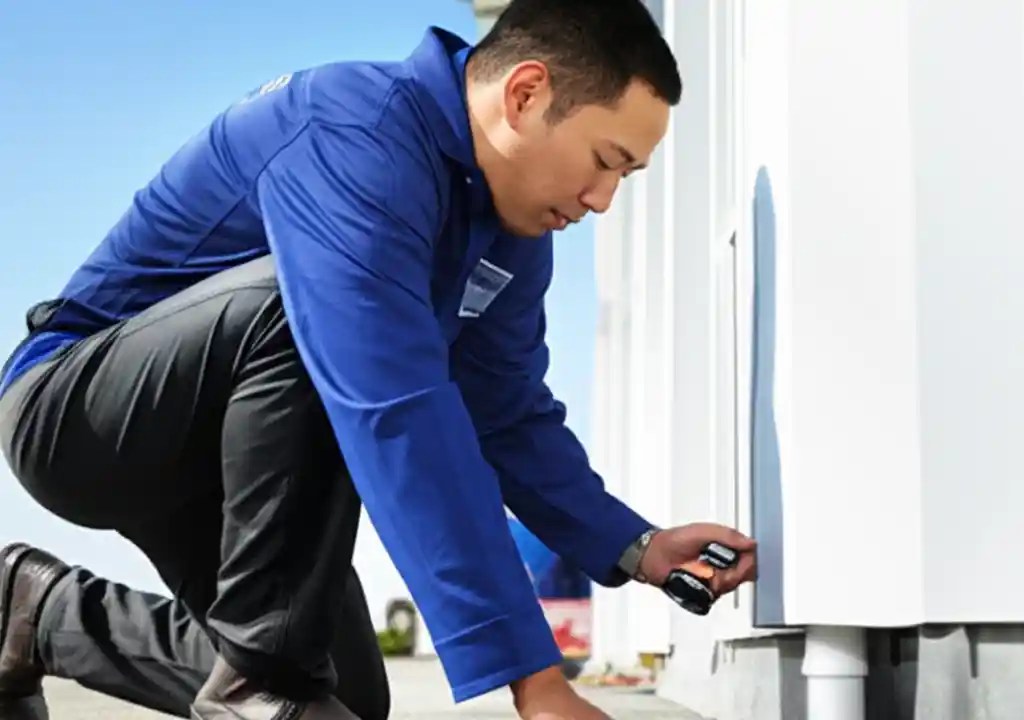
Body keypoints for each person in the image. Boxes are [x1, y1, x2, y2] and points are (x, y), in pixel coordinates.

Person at [0, 1, 758, 719]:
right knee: (307, 315)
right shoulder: (355, 132)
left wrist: (636, 545)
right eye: (605, 160)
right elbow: (394, 404)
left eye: (626, 178)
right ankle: (259, 681)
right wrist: (536, 683)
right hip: (78, 414)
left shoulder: (510, 231)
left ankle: (32, 614)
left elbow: (508, 414)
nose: (602, 200)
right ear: (527, 94)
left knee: (348, 699)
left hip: (225, 456)